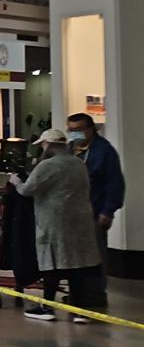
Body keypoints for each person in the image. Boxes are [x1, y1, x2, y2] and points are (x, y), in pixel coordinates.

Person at [10, 128, 103, 322]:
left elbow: (28, 190)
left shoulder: (47, 165)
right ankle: (78, 310)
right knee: (77, 264)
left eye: (43, 145)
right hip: (81, 221)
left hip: (54, 222)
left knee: (52, 264)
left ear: (49, 145)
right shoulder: (79, 163)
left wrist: (16, 182)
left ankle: (47, 308)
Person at [68, 112, 124, 314]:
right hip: (72, 213)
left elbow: (115, 183)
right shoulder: (71, 150)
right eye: (71, 130)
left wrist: (108, 211)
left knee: (95, 254)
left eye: (79, 130)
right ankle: (79, 292)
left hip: (95, 211)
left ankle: (96, 294)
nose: (75, 134)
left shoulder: (104, 151)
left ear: (91, 129)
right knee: (76, 255)